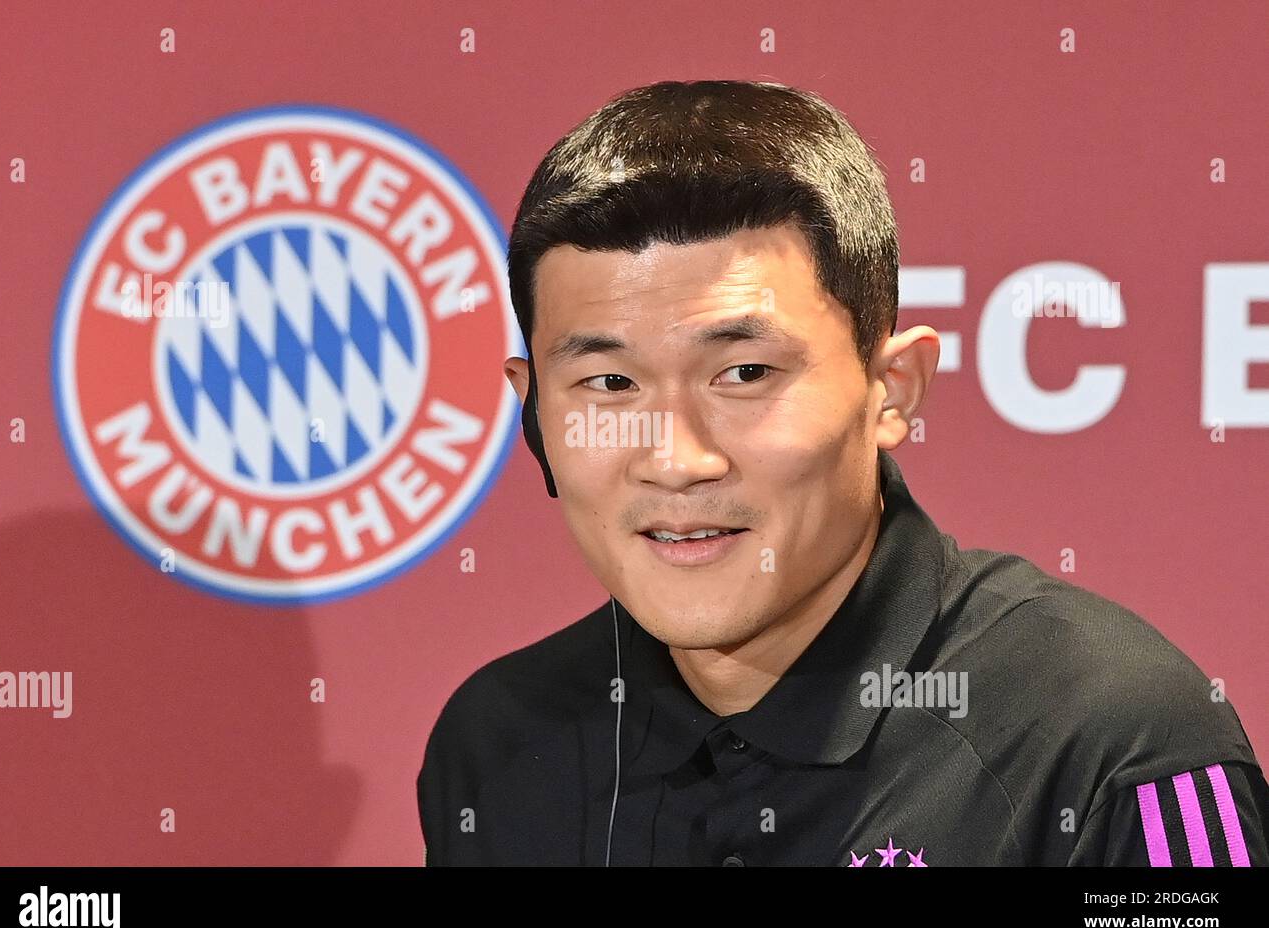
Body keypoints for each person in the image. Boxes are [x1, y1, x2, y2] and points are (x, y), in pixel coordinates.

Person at [416, 79, 1267, 866]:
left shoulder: (1119, 747)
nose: (676, 458)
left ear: (891, 390)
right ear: (532, 412)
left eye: (745, 374)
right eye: (610, 383)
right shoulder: (496, 745)